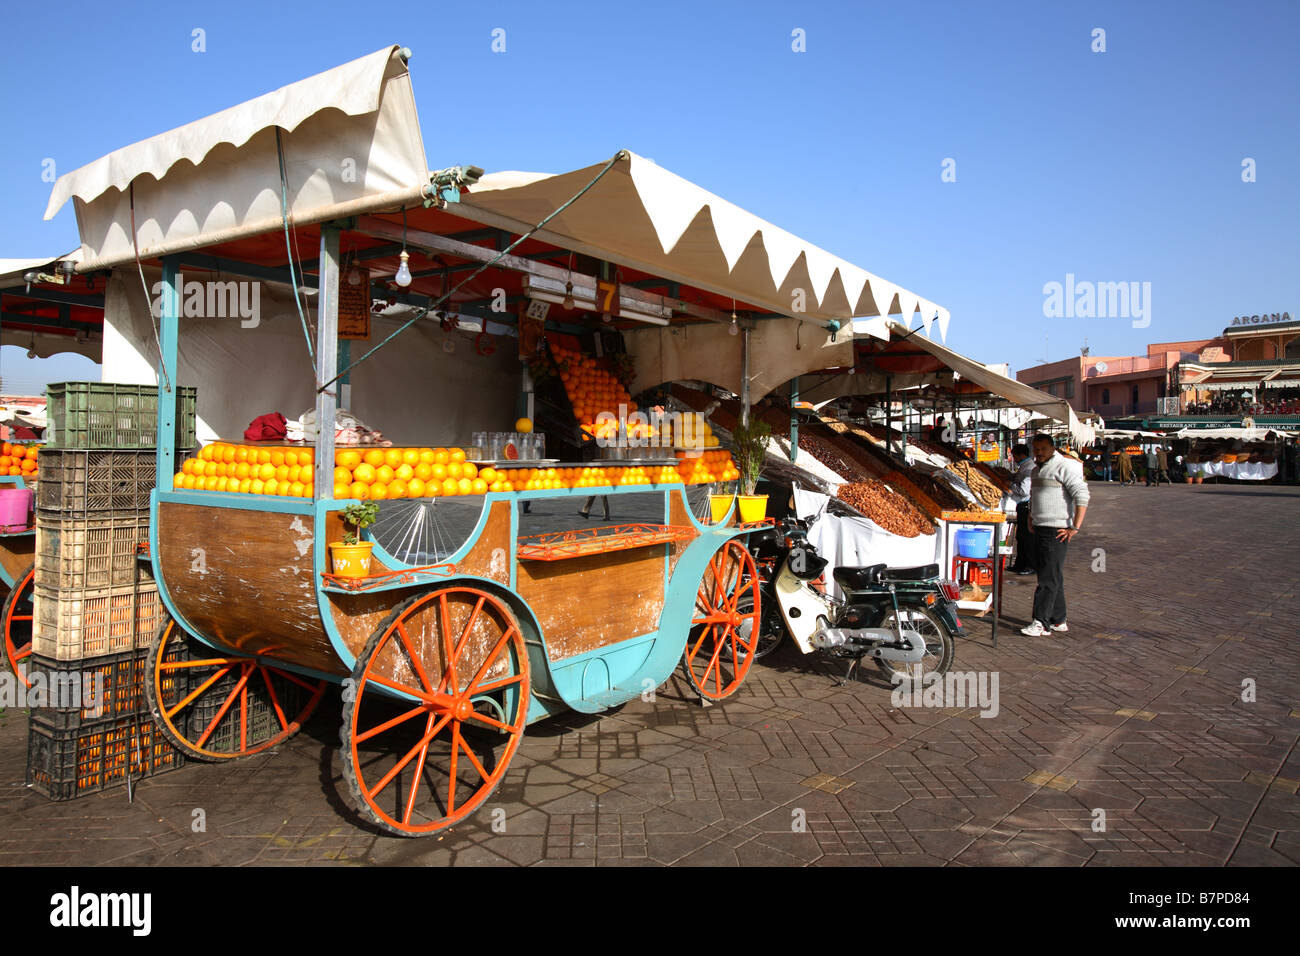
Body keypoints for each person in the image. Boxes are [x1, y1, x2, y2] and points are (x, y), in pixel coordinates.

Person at [1020, 433, 1090, 638]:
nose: (1039, 453)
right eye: (1036, 449)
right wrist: (1031, 517)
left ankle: (1040, 622)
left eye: (1043, 449)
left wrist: (1075, 527)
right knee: (1051, 575)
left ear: (1052, 448)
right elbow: (1033, 495)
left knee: (1047, 579)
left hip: (1056, 530)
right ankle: (1059, 620)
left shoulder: (1064, 467)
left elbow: (1082, 495)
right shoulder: (1035, 471)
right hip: (1040, 527)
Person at [1006, 444, 1036, 575]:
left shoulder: (1029, 468)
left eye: (1014, 456)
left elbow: (1024, 490)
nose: (1014, 459)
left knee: (1026, 537)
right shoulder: (1025, 466)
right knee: (1020, 536)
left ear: (1020, 455)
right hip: (1022, 506)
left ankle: (1030, 565)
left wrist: (1010, 485)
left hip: (1026, 506)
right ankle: (1020, 564)